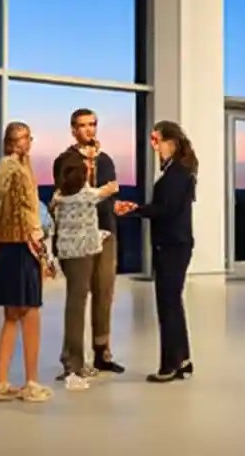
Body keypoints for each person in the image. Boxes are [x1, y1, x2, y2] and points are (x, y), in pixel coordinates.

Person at [118, 120, 198, 383]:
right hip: (176, 243)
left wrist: (136, 210)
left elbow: (167, 210)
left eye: (156, 140)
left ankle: (169, 365)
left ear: (171, 142)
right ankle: (182, 358)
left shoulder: (176, 173)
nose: (153, 146)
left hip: (172, 245)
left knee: (168, 304)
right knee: (173, 302)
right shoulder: (177, 170)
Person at [52, 108, 128, 376]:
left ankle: (102, 352)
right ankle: (73, 361)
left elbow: (109, 194)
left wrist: (115, 204)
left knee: (104, 291)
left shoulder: (105, 160)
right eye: (83, 125)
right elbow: (66, 195)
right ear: (73, 129)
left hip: (106, 231)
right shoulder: (65, 160)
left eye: (92, 125)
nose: (89, 130)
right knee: (78, 295)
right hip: (79, 237)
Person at [0, 122, 53, 403]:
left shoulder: (11, 167)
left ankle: (4, 381)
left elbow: (1, 205)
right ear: (17, 141)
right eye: (26, 138)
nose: (29, 142)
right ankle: (30, 381)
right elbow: (19, 207)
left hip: (10, 244)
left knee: (13, 314)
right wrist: (37, 241)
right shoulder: (14, 168)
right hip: (21, 245)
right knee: (29, 312)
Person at [50, 159, 119, 387]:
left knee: (75, 302)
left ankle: (73, 361)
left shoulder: (60, 200)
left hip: (67, 257)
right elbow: (108, 189)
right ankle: (75, 366)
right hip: (82, 257)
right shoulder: (86, 198)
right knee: (77, 306)